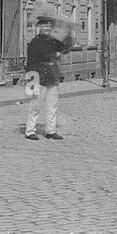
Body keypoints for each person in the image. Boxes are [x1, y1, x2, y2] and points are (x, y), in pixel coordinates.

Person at [25, 8, 72, 141]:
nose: (46, 28)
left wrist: (66, 32)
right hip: (37, 76)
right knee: (35, 105)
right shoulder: (35, 42)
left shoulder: (54, 40)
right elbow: (38, 58)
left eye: (48, 25)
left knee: (52, 105)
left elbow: (65, 47)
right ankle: (30, 131)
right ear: (39, 27)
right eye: (43, 25)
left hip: (52, 76)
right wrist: (54, 54)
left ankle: (50, 130)